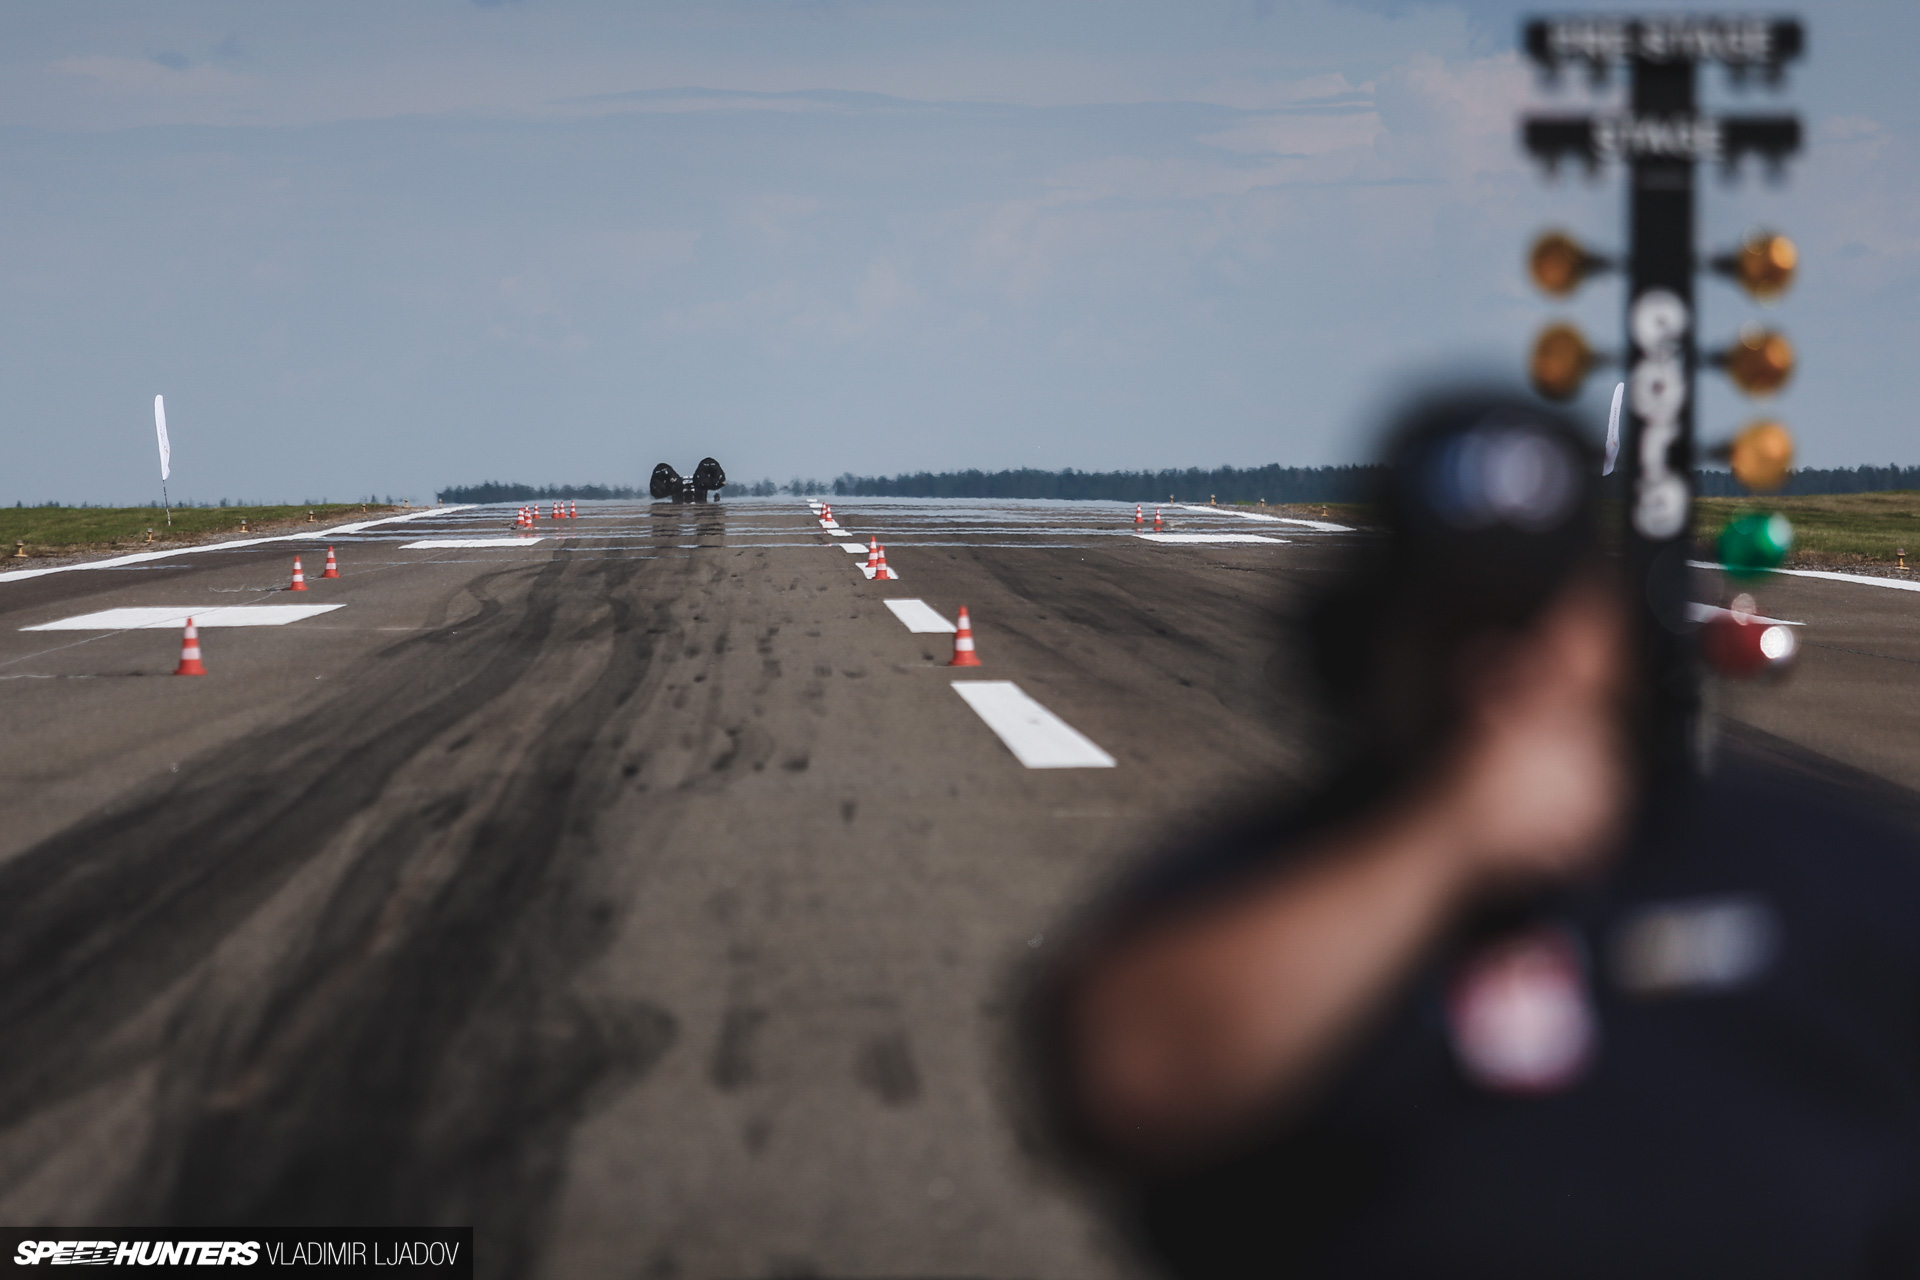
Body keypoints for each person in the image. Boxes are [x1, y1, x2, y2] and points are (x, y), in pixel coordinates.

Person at [1024, 396, 1920, 1278]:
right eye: (1457, 620)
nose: (1500, 666)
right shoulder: (1263, 886)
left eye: (1533, 617)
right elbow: (1121, 1075)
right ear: (1367, 642)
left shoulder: (1818, 871)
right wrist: (1447, 841)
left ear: (1626, 632)